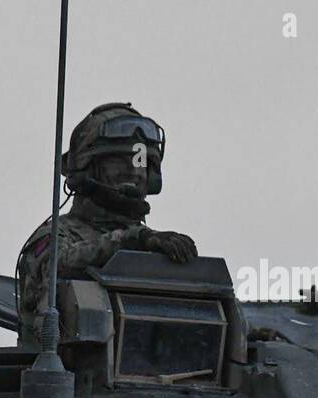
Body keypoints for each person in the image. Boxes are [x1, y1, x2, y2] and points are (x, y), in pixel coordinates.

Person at [16, 102, 197, 346]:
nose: (135, 171)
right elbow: (59, 264)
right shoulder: (56, 236)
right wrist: (132, 239)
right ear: (88, 168)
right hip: (68, 376)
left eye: (142, 162)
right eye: (119, 161)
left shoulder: (153, 246)